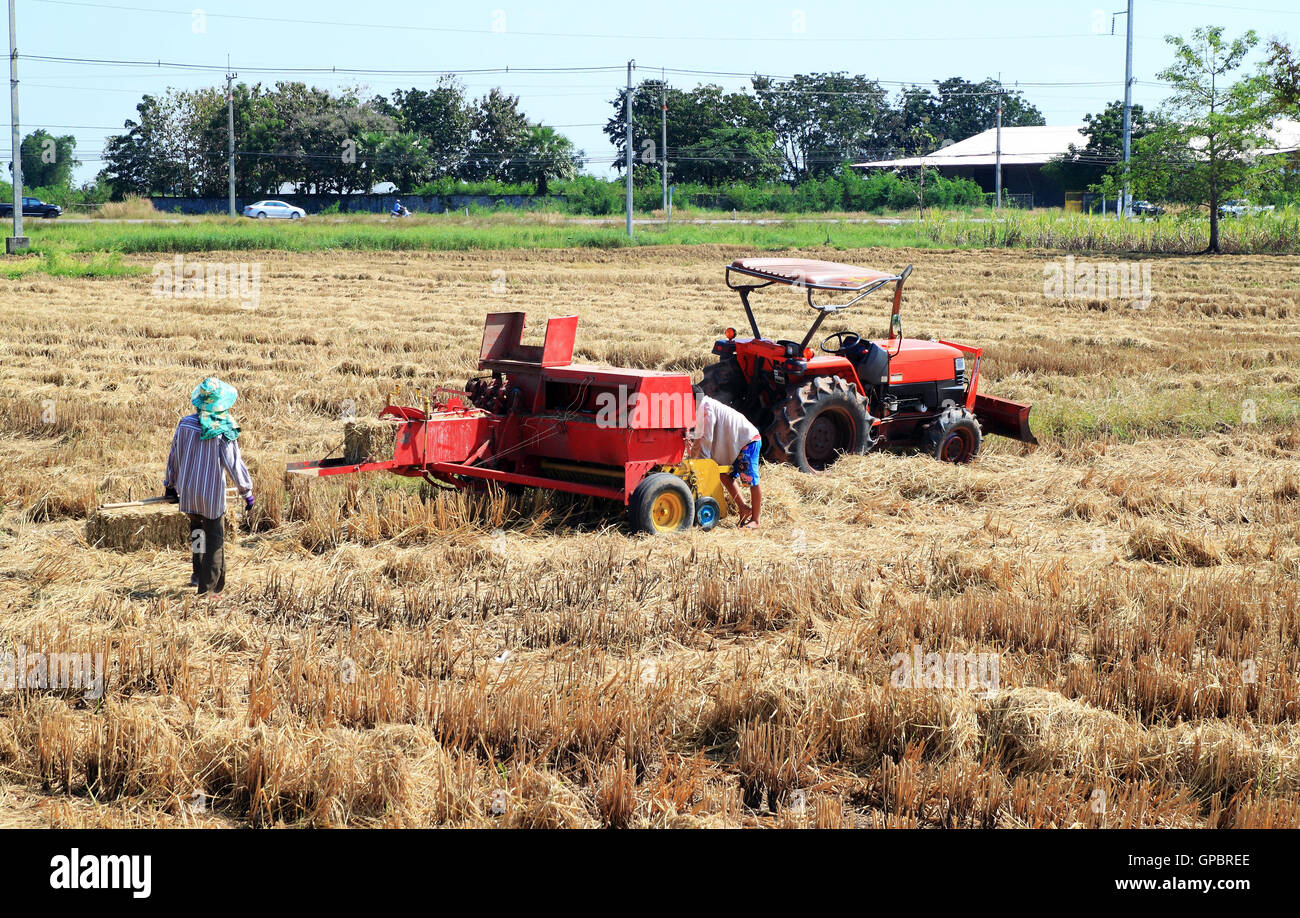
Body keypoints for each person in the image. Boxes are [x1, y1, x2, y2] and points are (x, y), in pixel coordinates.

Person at [163, 377, 254, 599]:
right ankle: (209, 590)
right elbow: (234, 464)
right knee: (214, 539)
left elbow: (174, 457)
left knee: (197, 532)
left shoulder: (184, 424)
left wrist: (170, 485)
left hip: (188, 493)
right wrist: (246, 491)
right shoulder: (223, 429)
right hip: (211, 495)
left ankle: (197, 574)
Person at [689, 384, 762, 529]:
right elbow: (698, 439)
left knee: (750, 479)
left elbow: (706, 438)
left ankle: (756, 520)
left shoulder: (706, 409)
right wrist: (691, 458)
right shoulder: (701, 409)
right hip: (734, 443)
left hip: (747, 441)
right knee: (722, 474)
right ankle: (743, 508)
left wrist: (700, 463)